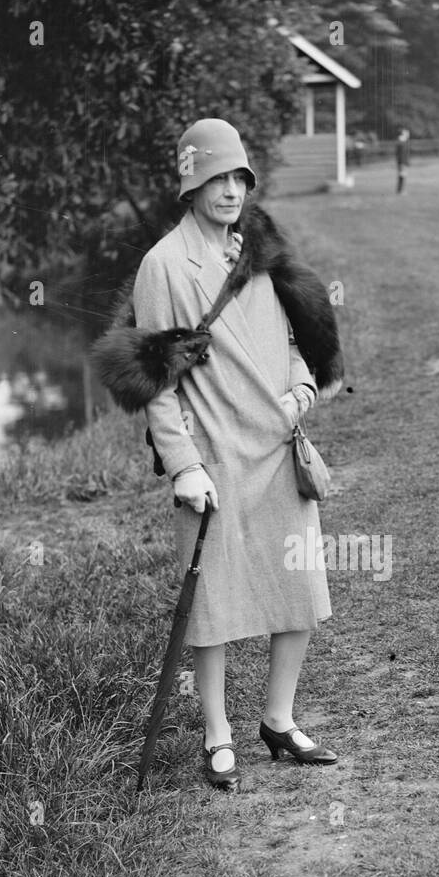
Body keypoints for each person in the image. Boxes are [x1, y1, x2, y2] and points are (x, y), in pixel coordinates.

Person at [98, 118, 345, 793]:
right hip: (215, 455)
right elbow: (154, 380)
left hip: (276, 444)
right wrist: (184, 466)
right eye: (218, 177)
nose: (233, 189)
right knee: (210, 604)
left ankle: (279, 720)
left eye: (240, 177)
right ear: (191, 181)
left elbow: (296, 332)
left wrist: (301, 386)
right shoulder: (164, 265)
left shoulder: (256, 246)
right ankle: (217, 735)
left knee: (297, 589)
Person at [394, 127, 411, 193]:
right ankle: (400, 190)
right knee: (402, 176)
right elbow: (401, 155)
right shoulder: (401, 143)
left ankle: (400, 190)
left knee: (402, 176)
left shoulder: (403, 142)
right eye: (407, 133)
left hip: (403, 162)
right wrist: (402, 163)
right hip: (402, 163)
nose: (408, 134)